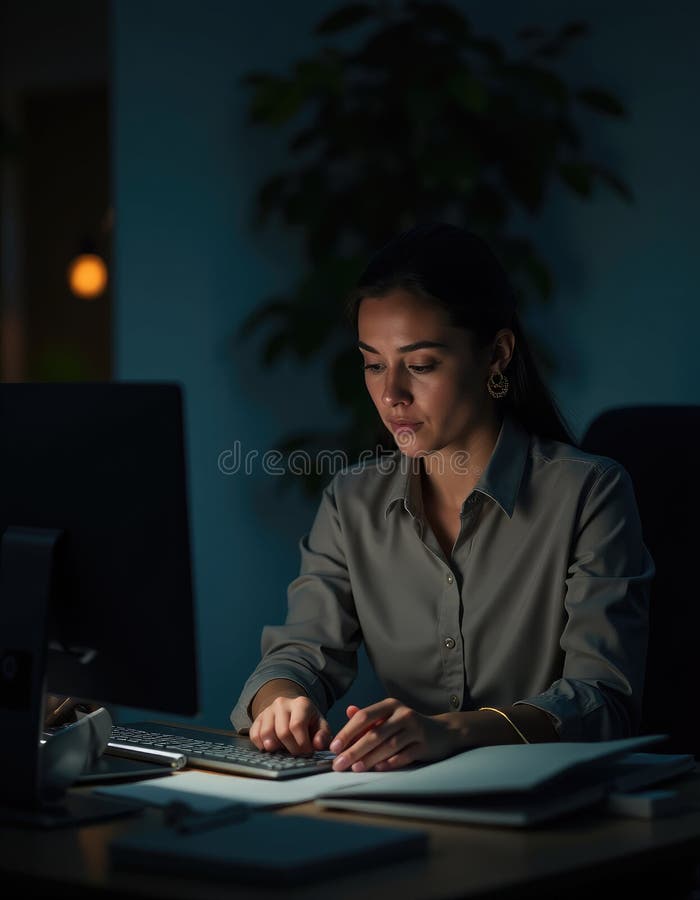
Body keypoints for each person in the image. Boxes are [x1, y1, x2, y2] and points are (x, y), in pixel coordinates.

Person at [230, 223, 654, 774]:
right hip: (405, 804)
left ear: (497, 355)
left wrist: (450, 733)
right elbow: (300, 653)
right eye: (373, 363)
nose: (391, 394)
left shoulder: (589, 493)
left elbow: (603, 701)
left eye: (421, 365)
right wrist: (280, 704)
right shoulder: (351, 500)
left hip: (557, 815)